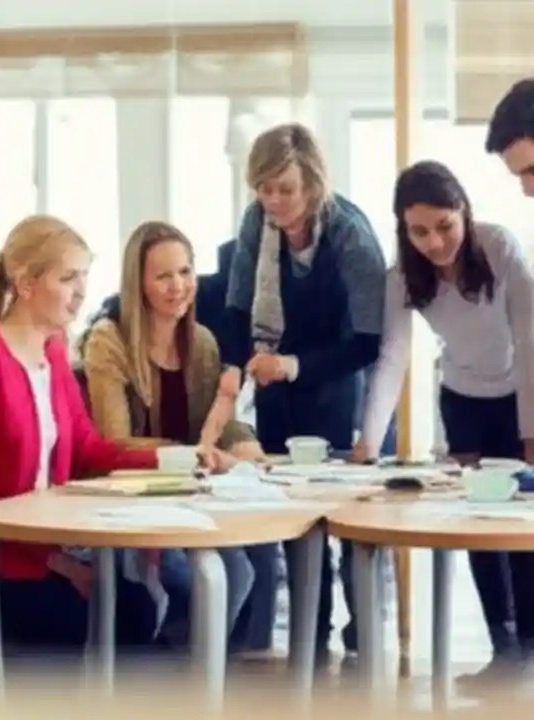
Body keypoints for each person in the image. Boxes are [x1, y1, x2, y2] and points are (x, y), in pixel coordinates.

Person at [0, 214, 212, 650]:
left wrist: (182, 458)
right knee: (127, 620)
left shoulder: (53, 352)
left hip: (35, 546)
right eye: (69, 278)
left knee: (141, 607)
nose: (82, 292)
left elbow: (88, 450)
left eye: (84, 277)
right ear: (25, 283)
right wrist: (56, 562)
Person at [354, 160, 534, 676]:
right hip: (461, 399)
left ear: (464, 214)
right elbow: (394, 356)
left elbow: (529, 341)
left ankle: (531, 642)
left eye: (444, 226)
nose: (434, 242)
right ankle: (503, 647)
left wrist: (530, 432)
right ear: (404, 229)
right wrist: (367, 441)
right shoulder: (403, 275)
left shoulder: (501, 248)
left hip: (518, 390)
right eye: (419, 231)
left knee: (521, 523)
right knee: (477, 520)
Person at [225, 122, 388, 658]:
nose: (273, 200)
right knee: (292, 512)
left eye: (285, 189)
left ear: (313, 184)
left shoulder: (351, 235)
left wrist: (293, 366)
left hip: (337, 381)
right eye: (264, 188)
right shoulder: (258, 222)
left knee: (344, 515)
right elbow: (236, 304)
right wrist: (234, 366)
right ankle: (308, 636)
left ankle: (364, 634)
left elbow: (368, 341)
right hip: (275, 382)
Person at [80, 220, 271, 655]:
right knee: (196, 579)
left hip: (188, 491)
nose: (178, 286)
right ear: (139, 282)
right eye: (163, 276)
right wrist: (189, 454)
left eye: (185, 272)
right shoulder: (107, 341)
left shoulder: (200, 341)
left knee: (241, 571)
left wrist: (245, 444)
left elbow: (215, 419)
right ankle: (177, 677)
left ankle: (194, 676)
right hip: (131, 495)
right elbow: (115, 441)